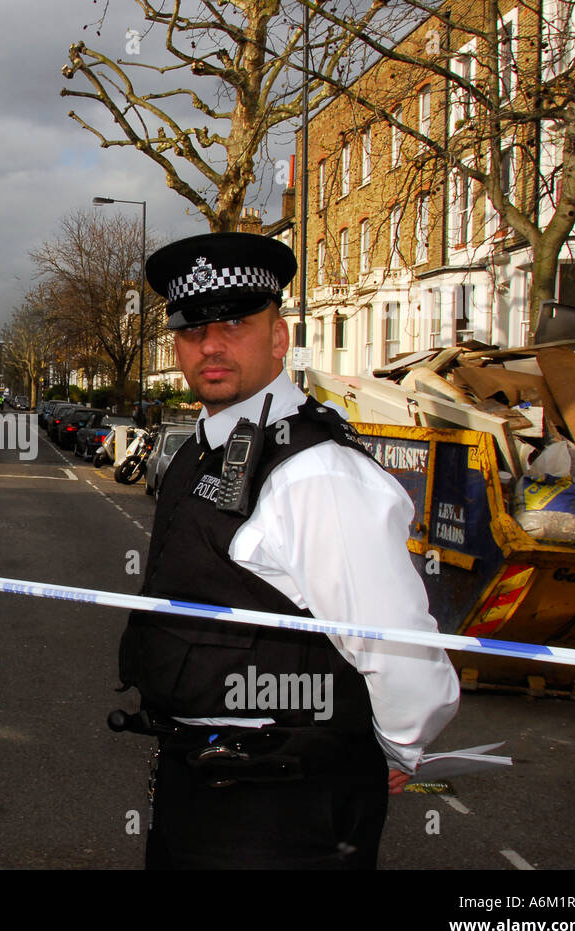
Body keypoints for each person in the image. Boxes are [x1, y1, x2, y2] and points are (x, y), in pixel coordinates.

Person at [117, 232, 459, 870]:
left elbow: (399, 649)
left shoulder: (316, 473)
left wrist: (396, 748)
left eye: (235, 324)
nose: (210, 345)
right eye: (192, 330)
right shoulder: (202, 449)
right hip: (202, 787)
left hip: (283, 810)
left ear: (279, 338)